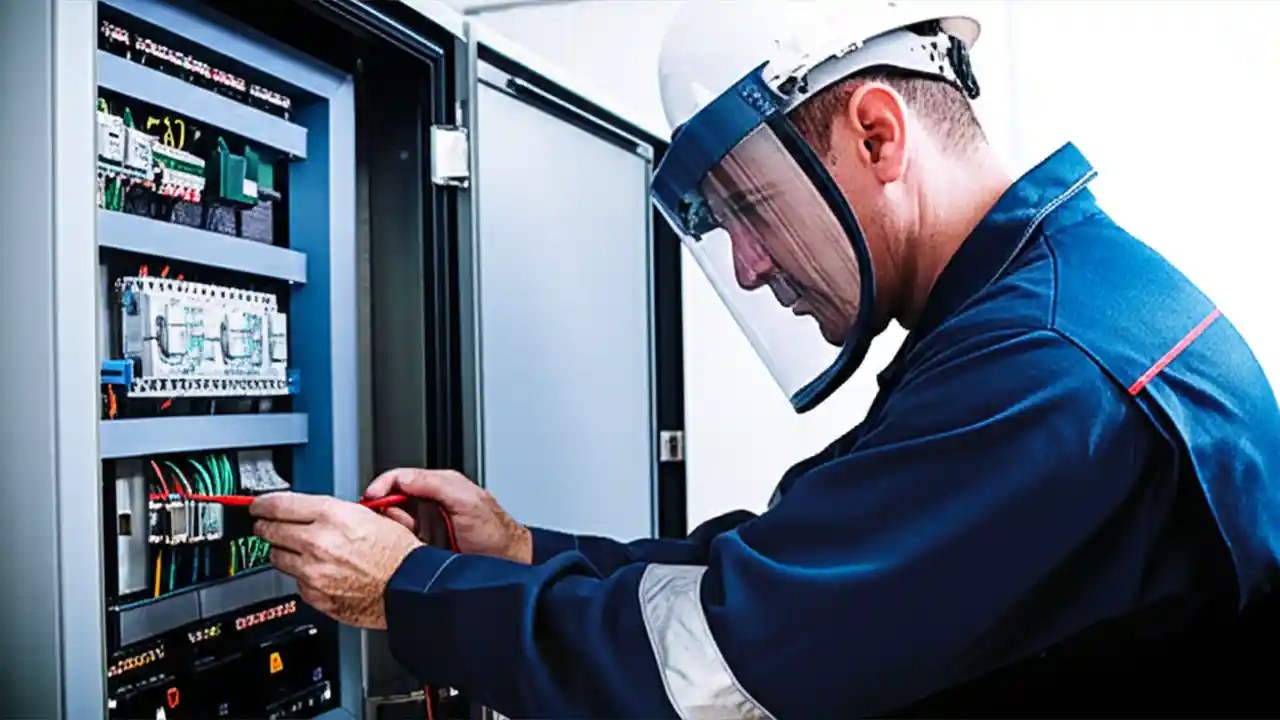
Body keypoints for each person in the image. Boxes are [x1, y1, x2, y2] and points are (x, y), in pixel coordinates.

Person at [250, 1, 1280, 717]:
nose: (744, 267)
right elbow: (796, 573)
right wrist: (522, 553)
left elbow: (726, 673)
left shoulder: (1044, 372)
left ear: (875, 135)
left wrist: (411, 593)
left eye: (747, 208)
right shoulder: (1039, 308)